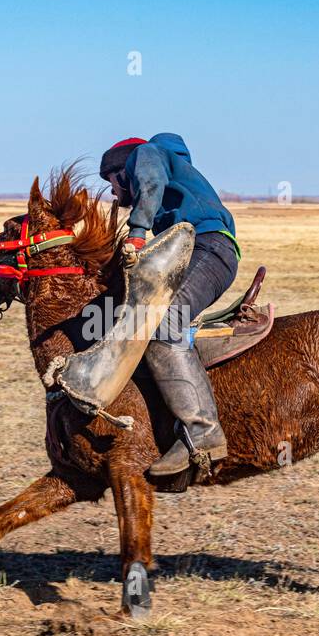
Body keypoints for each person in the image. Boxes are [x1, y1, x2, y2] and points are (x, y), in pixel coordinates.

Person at [99, 133, 240, 479]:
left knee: (163, 326)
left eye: (112, 184)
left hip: (208, 250)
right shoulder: (177, 183)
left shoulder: (146, 154)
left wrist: (136, 232)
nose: (114, 195)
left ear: (122, 170)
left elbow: (149, 180)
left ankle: (202, 431)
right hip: (203, 251)